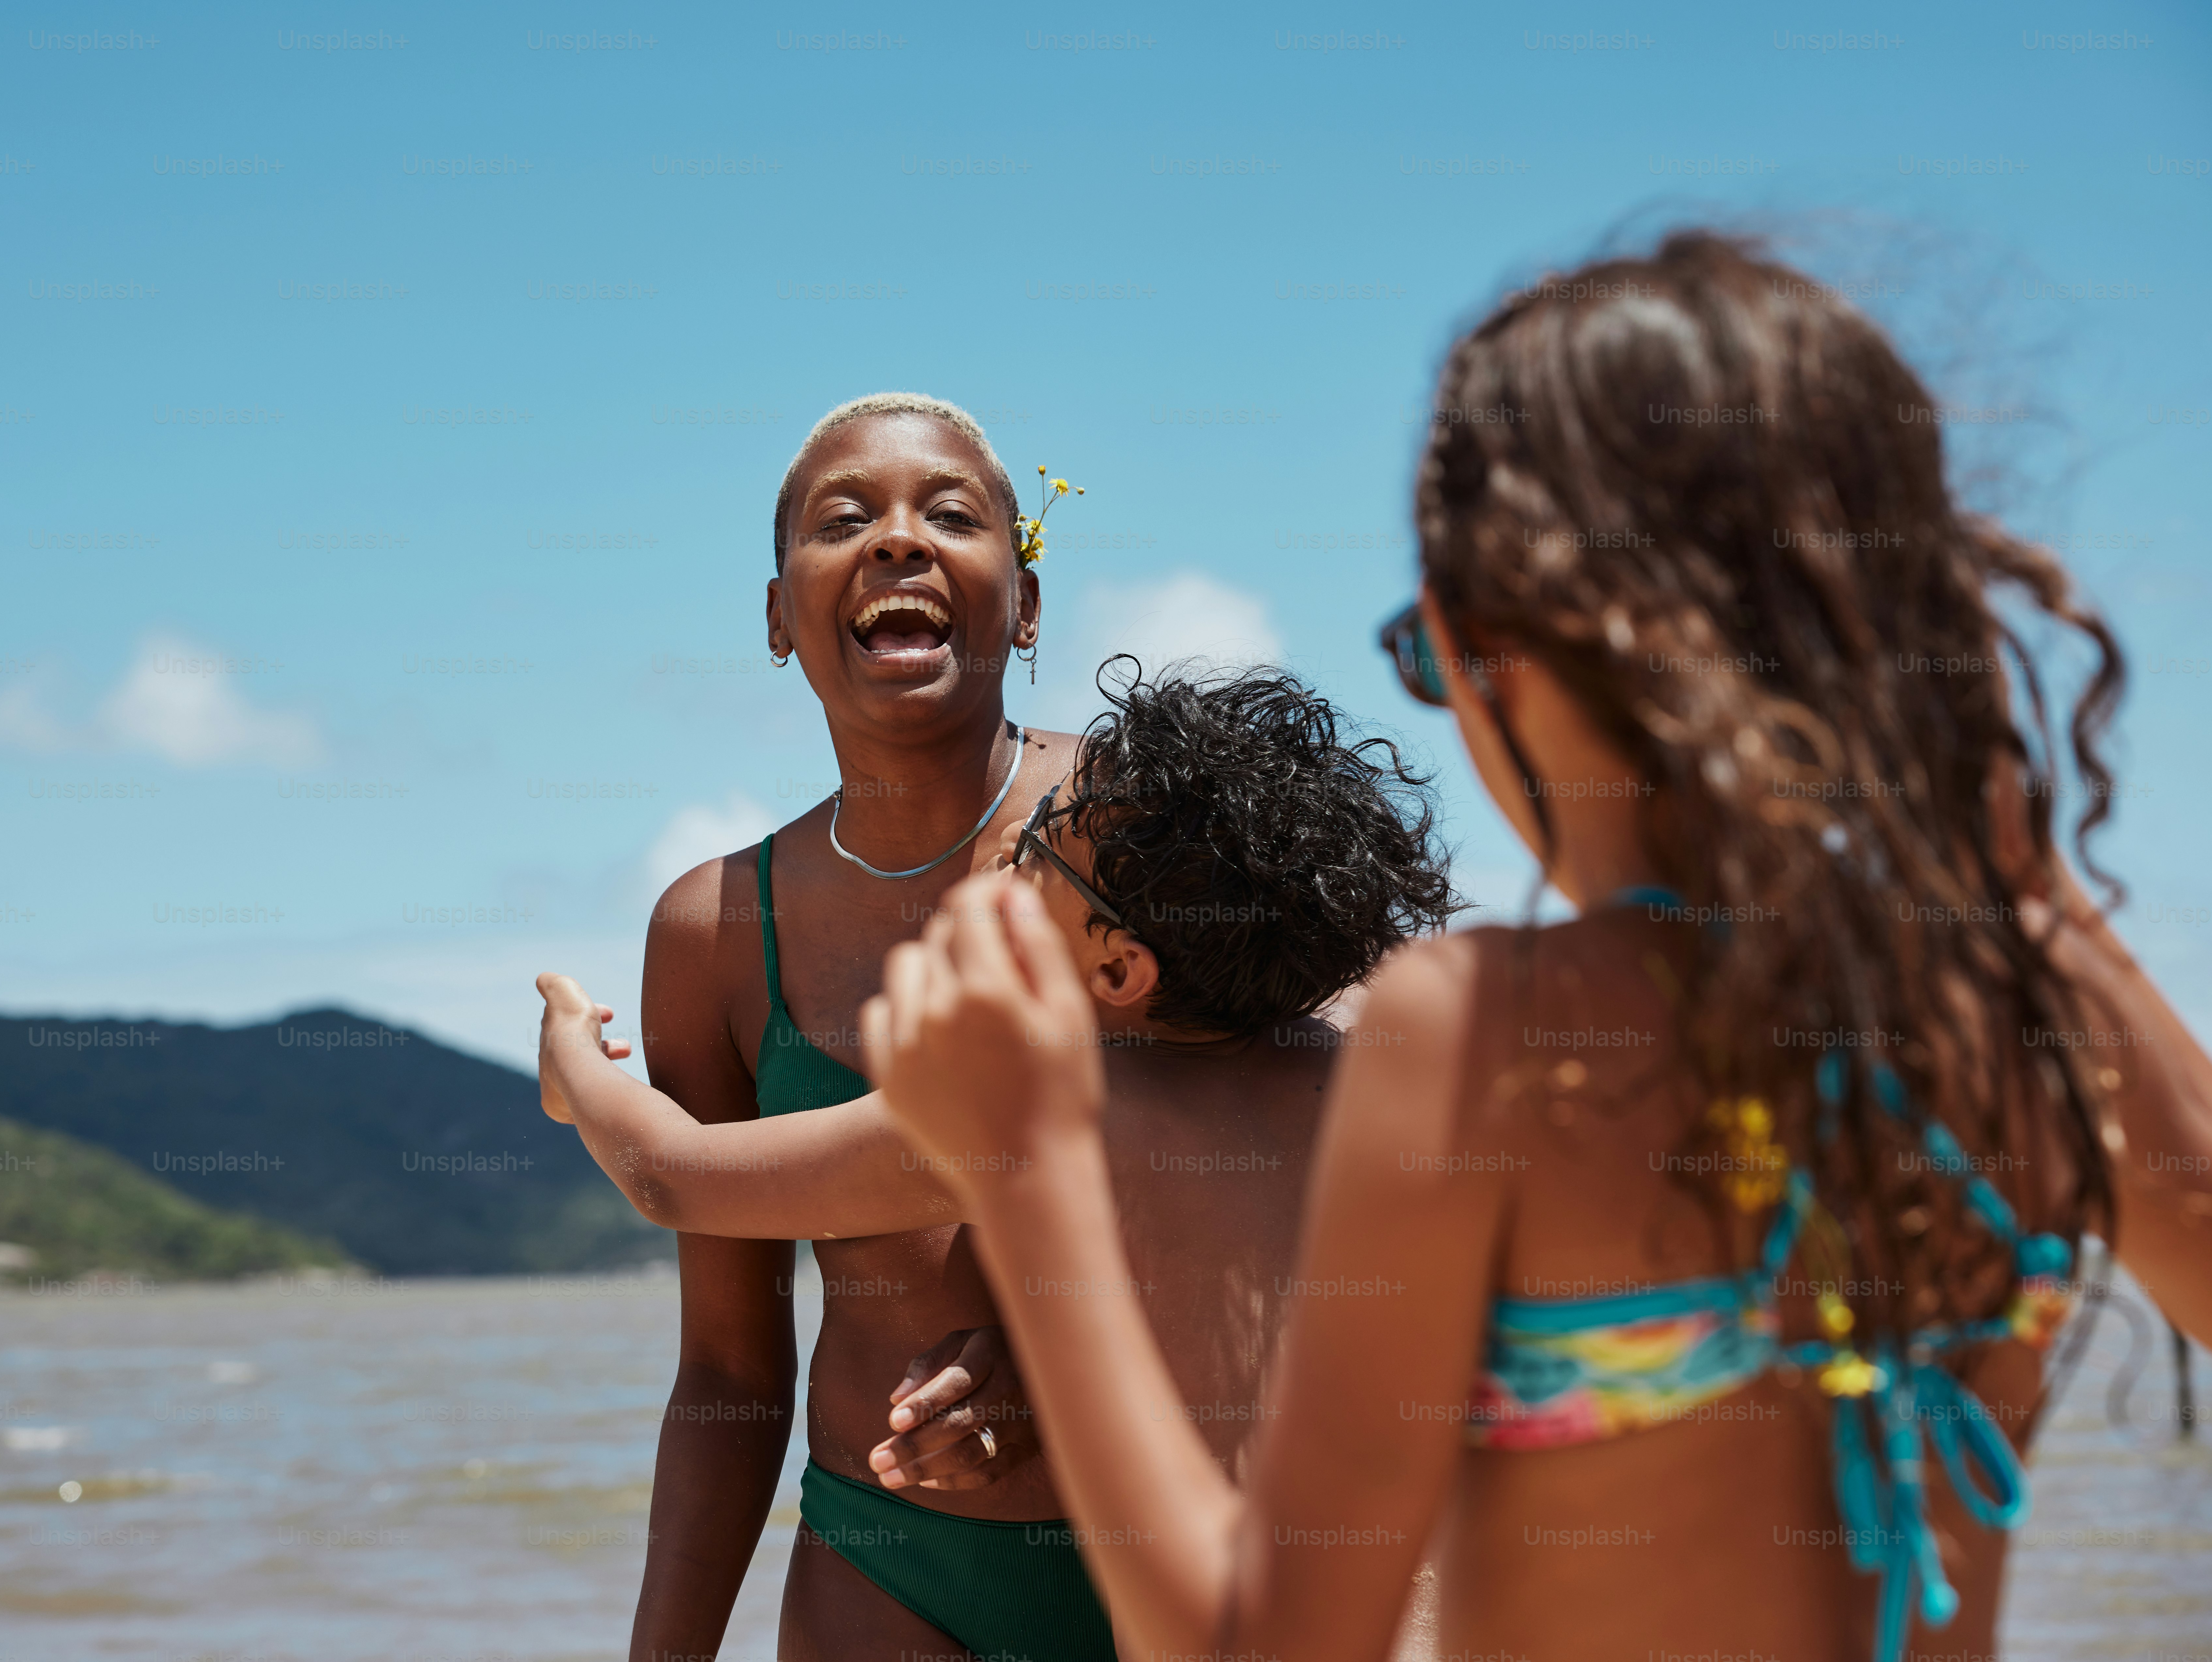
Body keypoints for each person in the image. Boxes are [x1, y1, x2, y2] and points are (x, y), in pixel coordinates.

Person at [855, 231, 2212, 1662]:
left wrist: (1031, 1166)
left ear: (1497, 634)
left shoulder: (1487, 1036)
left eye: (1425, 657)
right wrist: (2029, 893)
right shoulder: (2025, 995)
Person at [538, 663, 1456, 1511]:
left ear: (1117, 970)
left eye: (1044, 849)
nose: (1016, 830)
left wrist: (575, 1063)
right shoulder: (1352, 1072)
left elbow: (673, 1174)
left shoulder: (1051, 1108)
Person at [579, 390, 1099, 1662]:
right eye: (844, 518)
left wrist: (1069, 1348)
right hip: (885, 1566)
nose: (898, 541)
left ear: (1025, 604)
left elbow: (1298, 1164)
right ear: (777, 619)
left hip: (1157, 1531)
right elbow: (728, 1371)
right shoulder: (712, 933)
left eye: (954, 514)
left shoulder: (1129, 832)